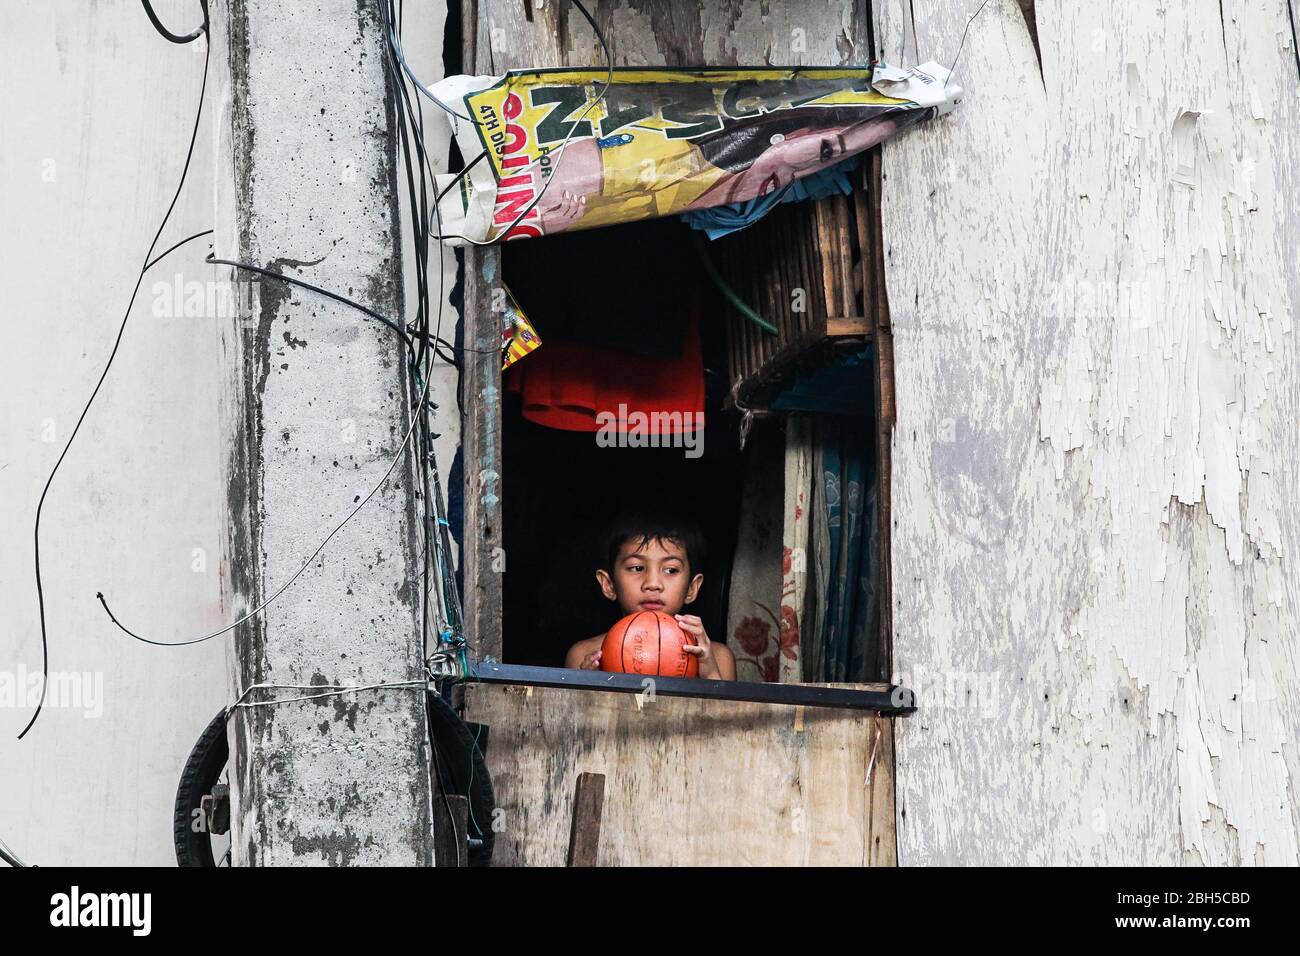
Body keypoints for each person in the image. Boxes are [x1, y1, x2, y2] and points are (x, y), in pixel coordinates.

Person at [564, 514, 737, 680]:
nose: (653, 583)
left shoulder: (717, 658)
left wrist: (710, 676)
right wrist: (590, 685)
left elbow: (729, 711)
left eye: (671, 570)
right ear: (608, 584)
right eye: (637, 568)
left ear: (692, 588)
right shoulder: (585, 654)